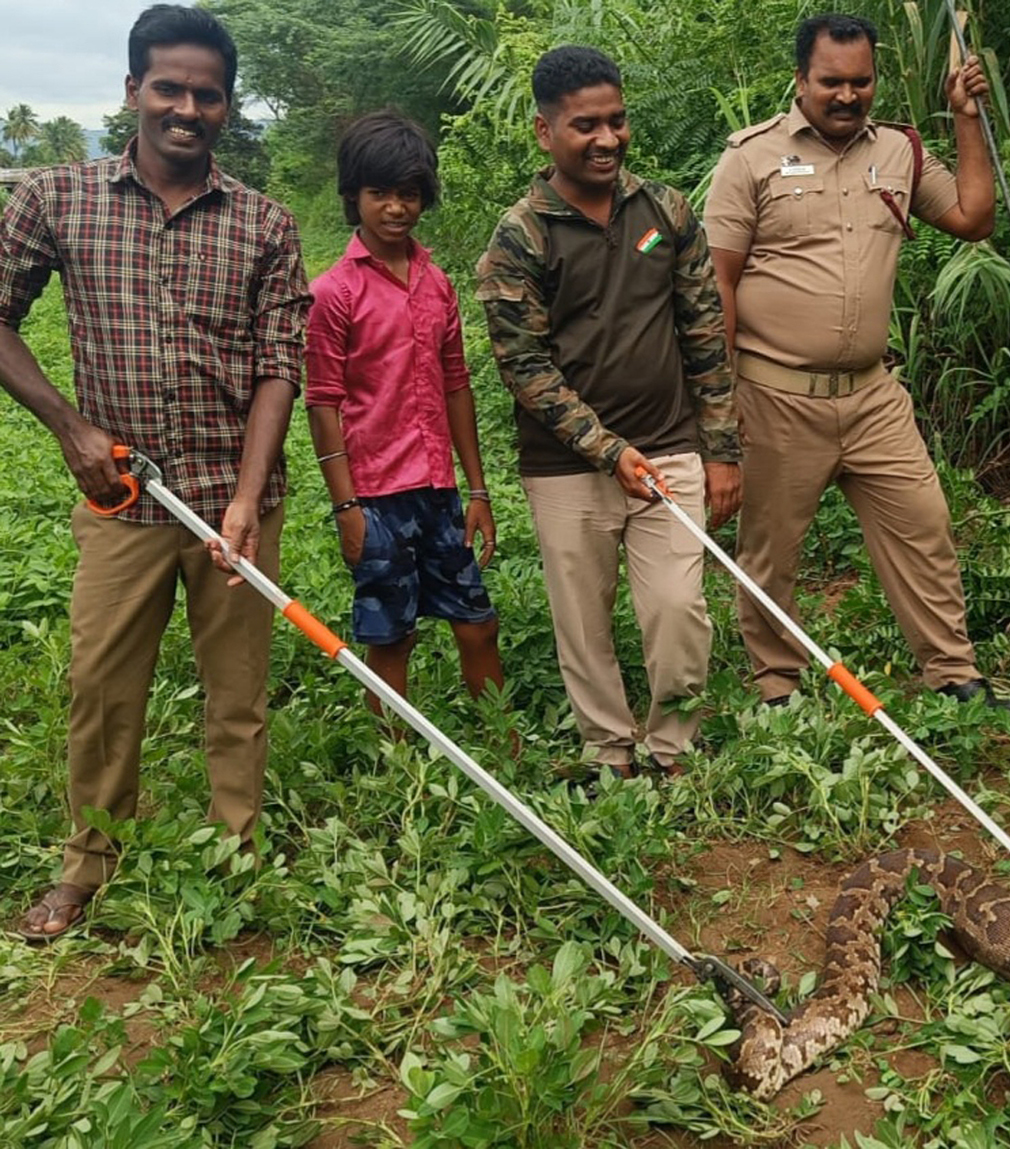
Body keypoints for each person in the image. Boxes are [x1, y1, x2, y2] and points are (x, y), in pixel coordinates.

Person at [0, 4, 310, 940]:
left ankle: (235, 852)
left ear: (226, 105)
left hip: (232, 502)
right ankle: (86, 865)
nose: (187, 107)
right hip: (121, 503)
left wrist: (250, 498)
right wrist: (69, 426)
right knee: (101, 686)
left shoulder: (263, 222)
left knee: (238, 693)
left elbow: (277, 366)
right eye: (168, 88)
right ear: (132, 90)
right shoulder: (57, 199)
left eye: (206, 94)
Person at [704, 12, 1010, 714]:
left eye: (861, 82)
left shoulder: (900, 152)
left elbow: (972, 218)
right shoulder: (749, 159)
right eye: (831, 82)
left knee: (924, 522)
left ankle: (953, 676)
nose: (847, 96)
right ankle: (776, 687)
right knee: (771, 553)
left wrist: (964, 117)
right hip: (776, 395)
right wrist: (719, 407)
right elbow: (716, 282)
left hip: (874, 395)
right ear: (799, 80)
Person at [478, 46, 740, 779]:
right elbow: (523, 365)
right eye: (585, 125)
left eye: (617, 121)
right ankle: (608, 750)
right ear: (544, 131)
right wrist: (605, 449)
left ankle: (672, 747)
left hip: (670, 448)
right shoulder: (518, 237)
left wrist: (721, 448)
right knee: (582, 619)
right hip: (567, 465)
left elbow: (703, 333)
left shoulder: (666, 212)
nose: (607, 139)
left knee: (678, 608)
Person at [305, 111, 502, 719]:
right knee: (391, 637)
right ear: (353, 197)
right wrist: (346, 508)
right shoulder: (332, 293)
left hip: (438, 490)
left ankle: (501, 744)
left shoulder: (437, 282)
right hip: (375, 497)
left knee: (478, 623)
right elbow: (323, 402)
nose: (395, 208)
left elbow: (455, 383)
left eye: (409, 194)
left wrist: (478, 489)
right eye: (380, 193)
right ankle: (395, 763)